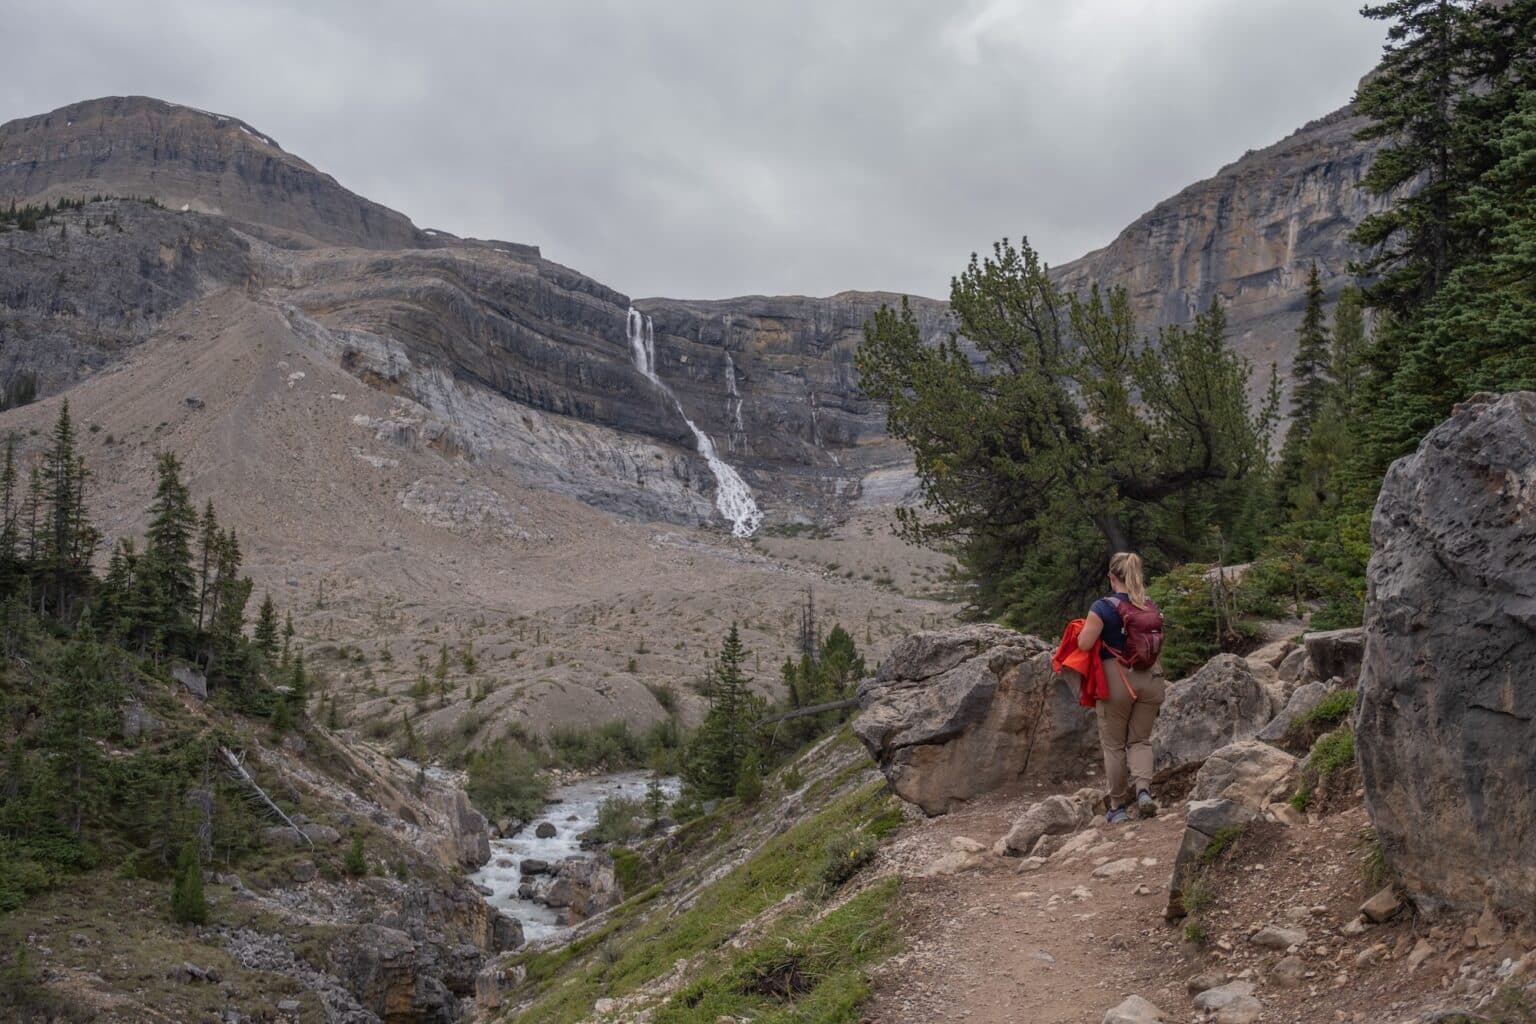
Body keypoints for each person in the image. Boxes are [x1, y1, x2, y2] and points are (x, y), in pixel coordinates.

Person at [1076, 551, 1166, 823]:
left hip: (1117, 680)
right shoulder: (1148, 604)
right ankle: (1143, 792)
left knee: (1114, 746)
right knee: (1140, 740)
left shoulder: (1102, 607)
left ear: (1112, 576)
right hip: (1151, 679)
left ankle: (1117, 807)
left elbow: (1084, 644)